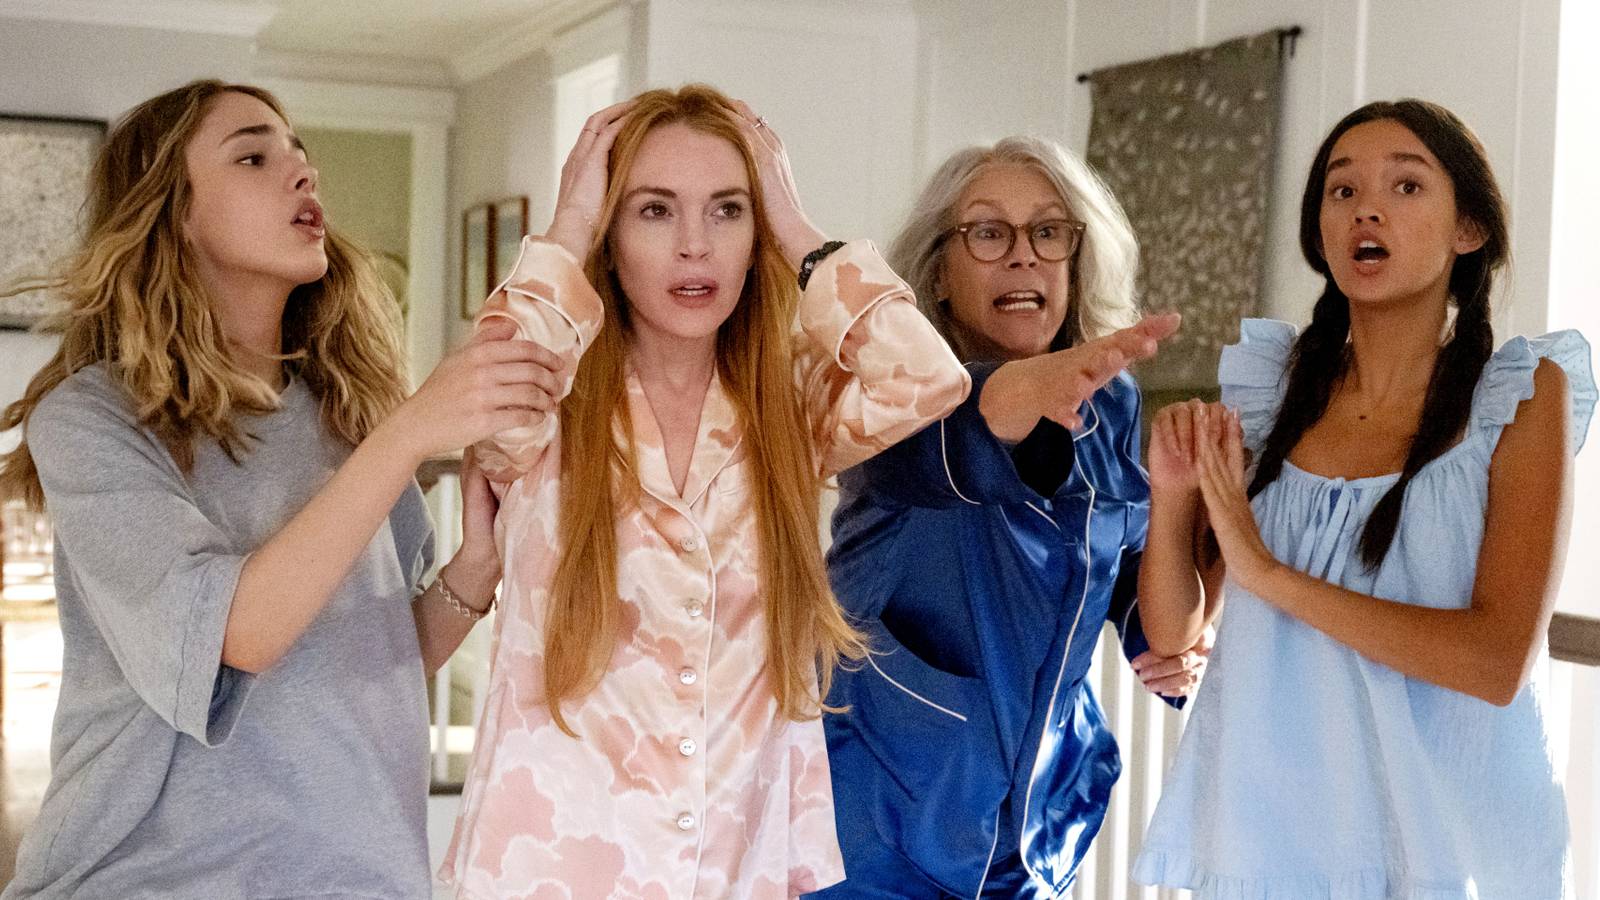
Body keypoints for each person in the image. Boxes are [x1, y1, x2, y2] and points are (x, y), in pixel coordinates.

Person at [0, 80, 544, 899]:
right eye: (253, 156)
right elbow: (237, 636)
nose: (302, 172)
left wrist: (476, 566)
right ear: (174, 212)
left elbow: (372, 657)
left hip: (357, 880)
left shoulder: (348, 410)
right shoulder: (92, 420)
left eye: (299, 152)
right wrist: (410, 432)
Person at [437, 84, 970, 900]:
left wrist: (795, 229)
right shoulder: (546, 407)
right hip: (551, 869)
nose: (696, 246)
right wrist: (569, 227)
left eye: (727, 211)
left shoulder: (788, 407)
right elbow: (492, 380)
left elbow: (928, 378)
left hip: (732, 864)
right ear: (611, 236)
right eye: (655, 211)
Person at [1134, 99, 1593, 899]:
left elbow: (1495, 663)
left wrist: (1270, 576)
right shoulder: (1272, 393)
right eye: (1342, 190)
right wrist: (1173, 498)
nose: (1366, 209)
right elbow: (1176, 630)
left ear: (1469, 229)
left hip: (1453, 851)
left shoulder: (1522, 396)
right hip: (1269, 841)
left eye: (1406, 186)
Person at [810, 136, 1218, 899]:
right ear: (940, 271)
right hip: (875, 819)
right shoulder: (892, 396)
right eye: (989, 232)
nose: (1024, 254)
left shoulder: (1112, 404)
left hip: (1034, 829)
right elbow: (975, 427)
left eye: (1049, 232)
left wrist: (1175, 535)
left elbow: (1143, 597)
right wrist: (1036, 384)